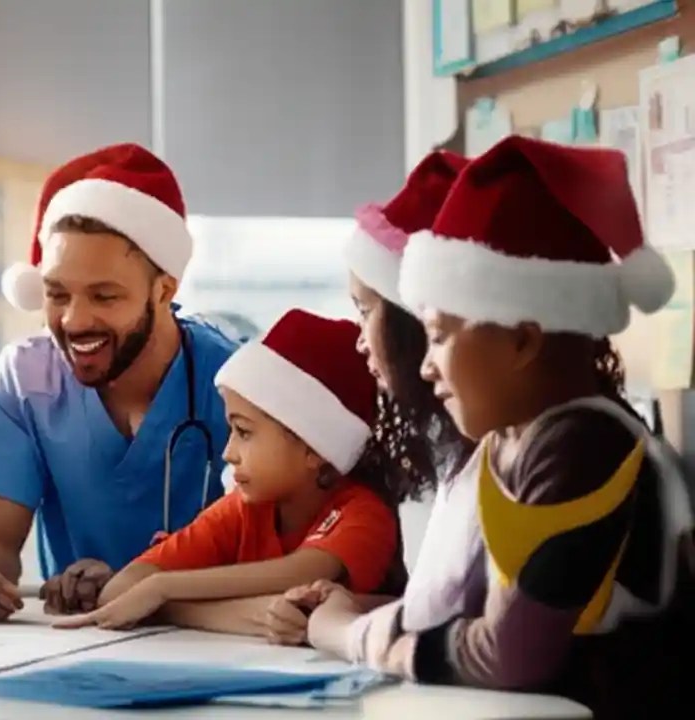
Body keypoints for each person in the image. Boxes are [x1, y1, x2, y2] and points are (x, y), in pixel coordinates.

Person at [300, 137, 695, 717]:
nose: (427, 363)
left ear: (521, 339)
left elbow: (510, 655)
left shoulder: (584, 445)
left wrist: (351, 634)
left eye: (438, 336)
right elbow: (460, 621)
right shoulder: (513, 443)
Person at [0, 143, 238, 623]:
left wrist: (133, 584)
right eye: (57, 294)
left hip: (214, 640)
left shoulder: (232, 383)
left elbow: (275, 559)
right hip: (77, 640)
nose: (75, 321)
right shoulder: (25, 381)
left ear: (164, 291)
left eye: (104, 296)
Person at [54, 309, 403, 632]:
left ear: (314, 448)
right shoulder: (244, 509)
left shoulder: (363, 514)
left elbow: (301, 572)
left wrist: (164, 590)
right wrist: (251, 613)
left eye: (244, 432)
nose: (228, 453)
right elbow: (122, 590)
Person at [262, 150, 481, 647]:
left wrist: (344, 627)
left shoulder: (505, 453)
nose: (360, 339)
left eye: (365, 311)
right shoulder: (435, 445)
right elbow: (439, 610)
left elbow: (488, 638)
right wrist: (348, 606)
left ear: (412, 323)